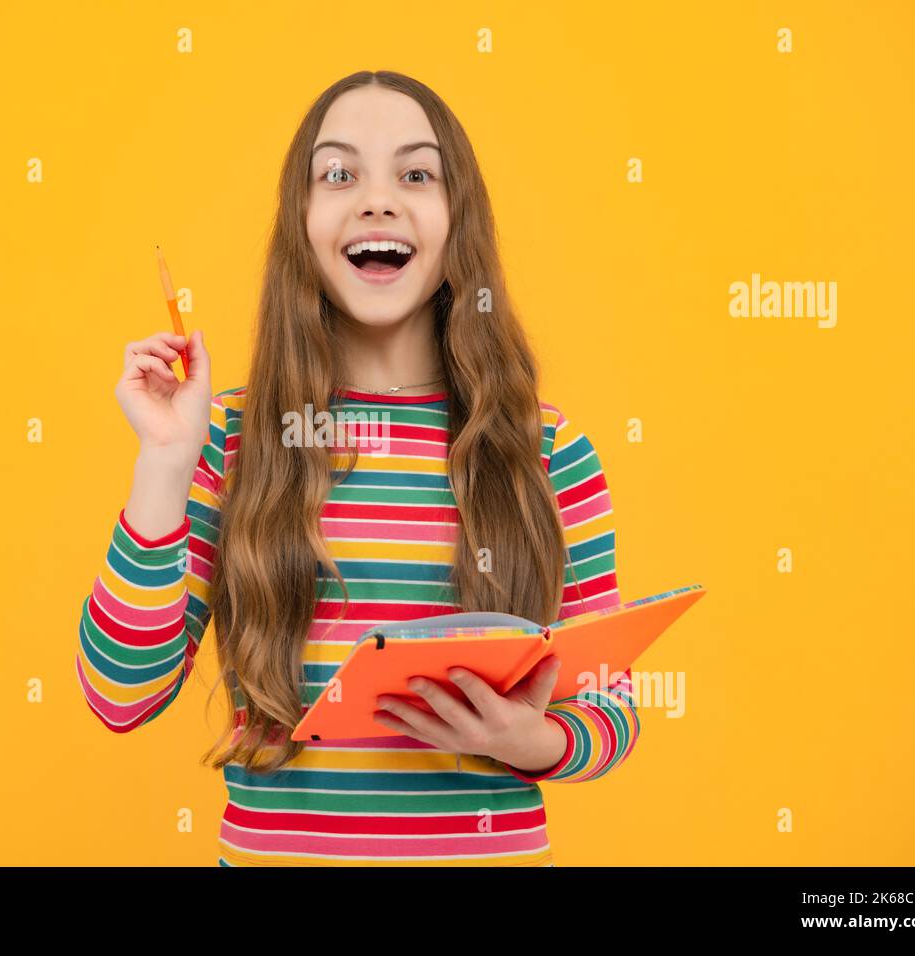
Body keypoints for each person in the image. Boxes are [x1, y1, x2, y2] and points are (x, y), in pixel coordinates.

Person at [76, 70, 638, 867]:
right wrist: (167, 463)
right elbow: (119, 697)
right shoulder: (229, 439)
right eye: (339, 174)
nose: (377, 201)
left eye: (416, 173)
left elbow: (611, 701)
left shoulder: (547, 450)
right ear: (301, 225)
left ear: (458, 223)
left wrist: (534, 738)